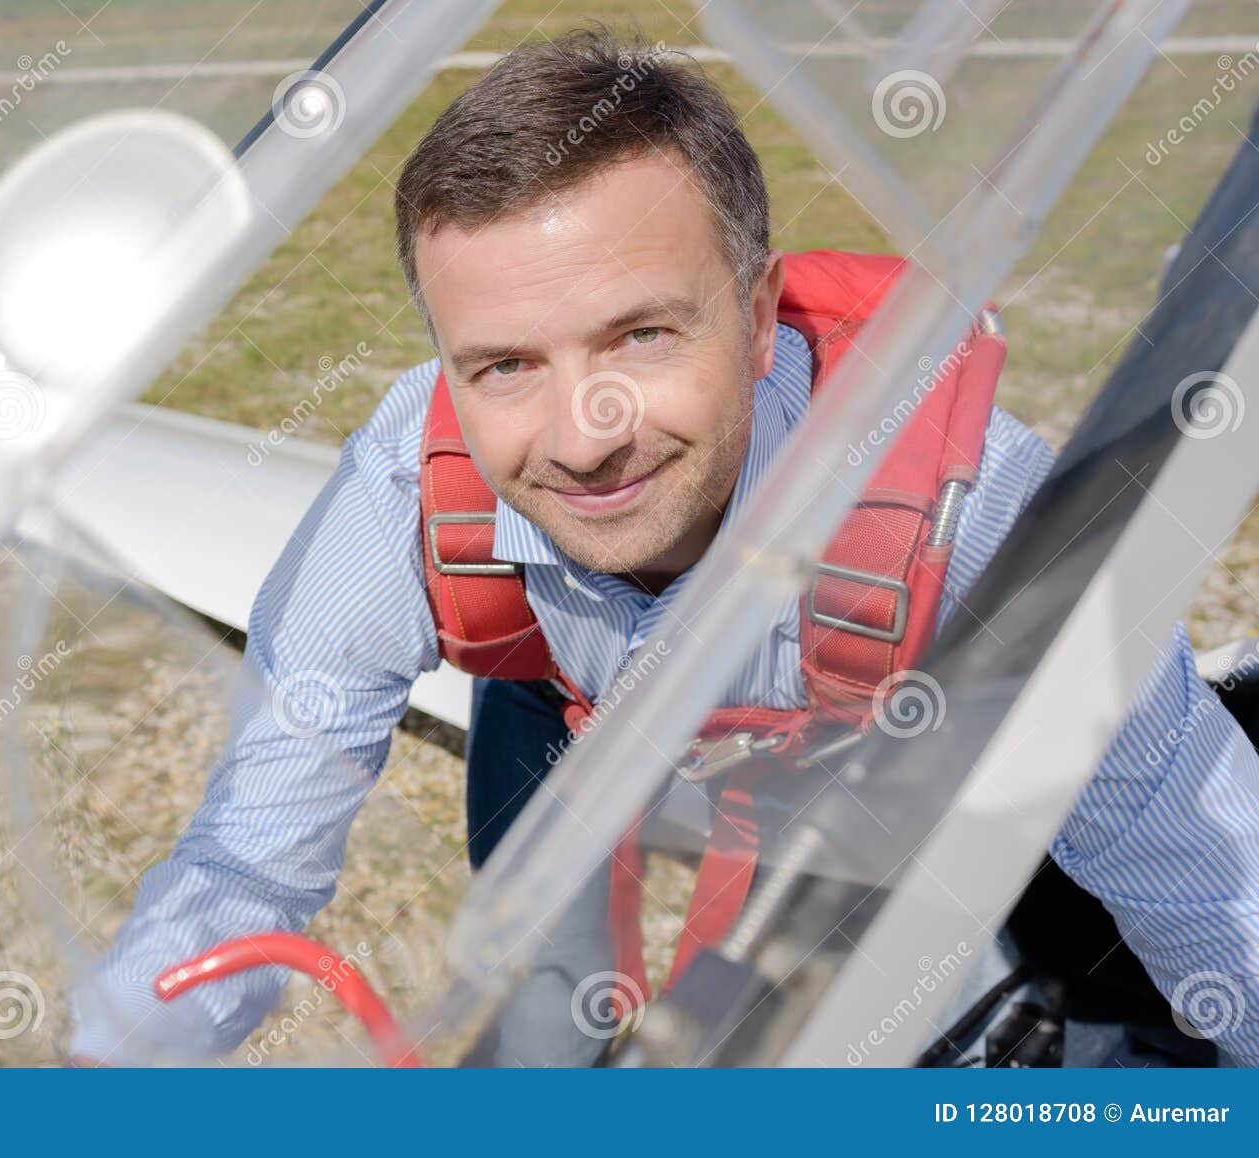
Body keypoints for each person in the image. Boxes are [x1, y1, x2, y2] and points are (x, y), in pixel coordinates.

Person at [70, 29, 1259, 1066]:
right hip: (567, 708)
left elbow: (1211, 876)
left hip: (862, 742)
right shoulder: (405, 478)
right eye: (505, 366)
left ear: (752, 320)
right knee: (537, 1020)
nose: (583, 441)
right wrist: (108, 1070)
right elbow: (245, 859)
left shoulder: (972, 512)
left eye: (639, 336)